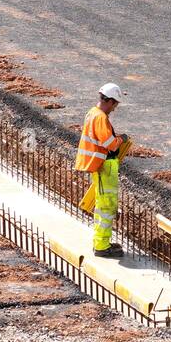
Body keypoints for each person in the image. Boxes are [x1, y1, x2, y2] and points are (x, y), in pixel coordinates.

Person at [74, 82, 129, 258]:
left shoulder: (92, 113)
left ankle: (102, 242)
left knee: (105, 205)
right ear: (111, 101)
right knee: (105, 207)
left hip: (101, 166)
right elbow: (110, 144)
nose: (115, 109)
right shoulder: (100, 118)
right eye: (115, 105)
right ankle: (102, 246)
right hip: (104, 167)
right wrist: (121, 139)